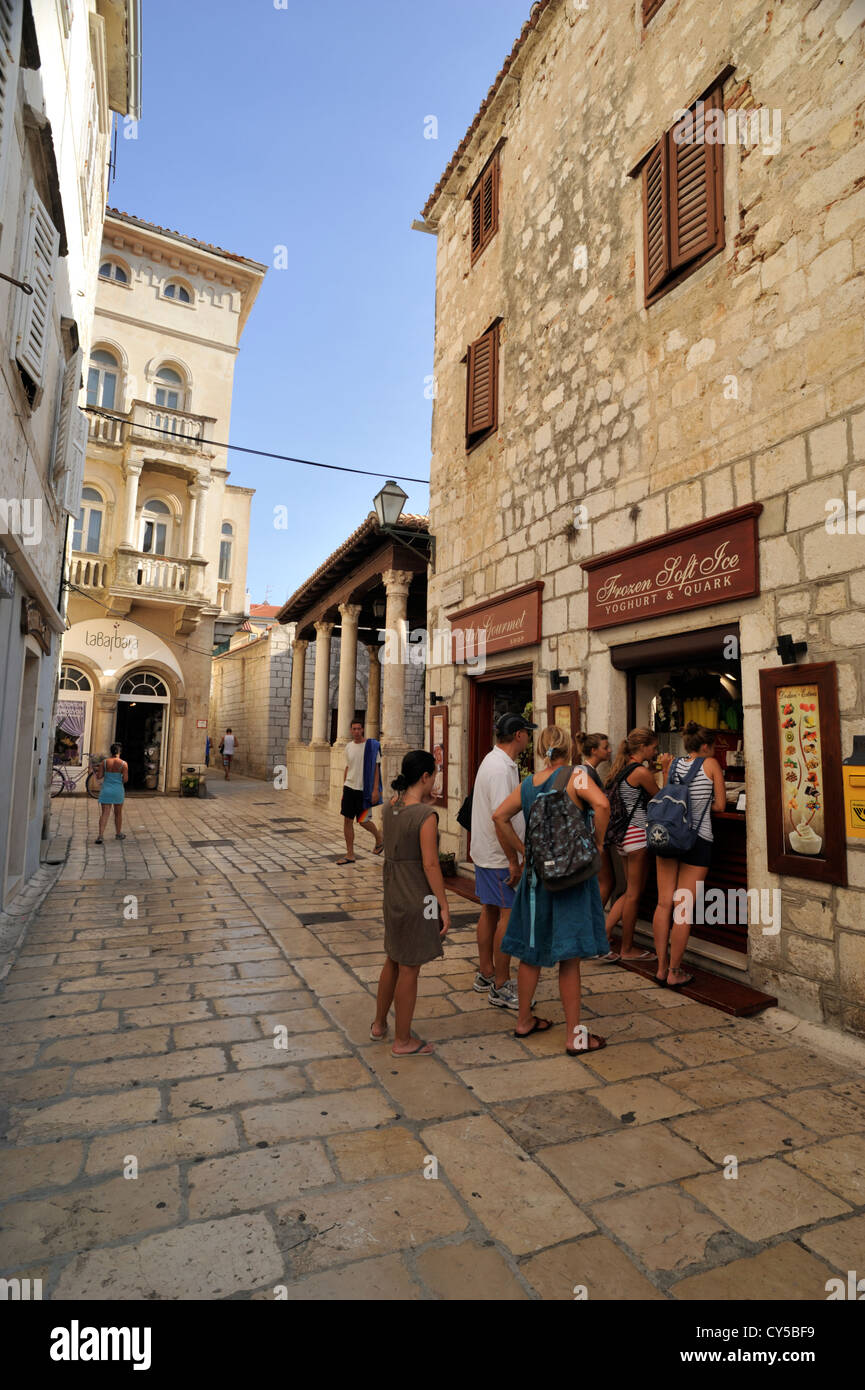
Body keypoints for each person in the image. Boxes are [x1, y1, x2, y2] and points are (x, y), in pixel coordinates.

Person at [493, 725, 611, 1054]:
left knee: (531, 953)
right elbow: (602, 806)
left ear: (542, 750)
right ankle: (575, 1035)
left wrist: (523, 850)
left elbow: (499, 816)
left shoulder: (529, 784)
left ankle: (524, 1019)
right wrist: (597, 843)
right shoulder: (576, 777)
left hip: (537, 877)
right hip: (572, 877)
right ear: (568, 749)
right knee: (569, 959)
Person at [371, 750, 450, 1056]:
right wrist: (443, 905)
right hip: (416, 895)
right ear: (425, 777)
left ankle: (379, 1023)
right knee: (410, 968)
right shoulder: (426, 816)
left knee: (393, 957)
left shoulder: (390, 807)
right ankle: (403, 1040)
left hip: (392, 892)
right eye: (435, 774)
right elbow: (431, 865)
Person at [470, 712, 536, 1010]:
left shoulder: (493, 760)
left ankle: (486, 972)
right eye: (527, 733)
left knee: (490, 911)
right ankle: (500, 984)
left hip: (486, 852)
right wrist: (515, 858)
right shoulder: (501, 769)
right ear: (519, 735)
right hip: (499, 856)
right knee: (507, 918)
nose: (529, 738)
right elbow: (501, 819)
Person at [652, 723, 726, 988]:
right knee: (682, 907)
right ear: (705, 746)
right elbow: (720, 804)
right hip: (698, 838)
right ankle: (674, 971)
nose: (715, 750)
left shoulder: (674, 765)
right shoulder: (711, 765)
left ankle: (660, 969)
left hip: (669, 837)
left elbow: (666, 794)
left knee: (663, 904)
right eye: (714, 745)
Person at [603, 727, 660, 962]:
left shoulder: (622, 769)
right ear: (643, 747)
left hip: (622, 838)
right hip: (637, 836)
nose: (655, 751)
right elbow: (660, 798)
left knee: (628, 893)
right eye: (653, 747)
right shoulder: (640, 772)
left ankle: (600, 937)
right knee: (634, 895)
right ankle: (627, 948)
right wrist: (664, 771)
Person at [338, 719, 383, 865]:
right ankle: (350, 854)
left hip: (364, 791)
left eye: (359, 729)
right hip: (349, 789)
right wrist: (344, 788)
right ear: (351, 730)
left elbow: (376, 769)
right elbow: (347, 767)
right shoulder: (348, 747)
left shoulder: (371, 747)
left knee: (363, 821)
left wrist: (376, 790)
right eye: (354, 729)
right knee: (347, 820)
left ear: (363, 729)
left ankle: (379, 838)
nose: (356, 731)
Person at [578, 732, 615, 913]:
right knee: (606, 882)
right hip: (592, 836)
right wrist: (599, 841)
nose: (609, 751)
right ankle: (591, 927)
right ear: (594, 750)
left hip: (587, 836)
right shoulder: (586, 772)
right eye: (606, 747)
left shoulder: (586, 771)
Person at [95, 744, 128, 843]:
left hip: (106, 790)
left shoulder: (104, 763)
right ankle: (118, 833)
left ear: (111, 752)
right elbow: (125, 779)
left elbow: (99, 776)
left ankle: (100, 835)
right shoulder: (123, 764)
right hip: (118, 790)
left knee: (105, 813)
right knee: (118, 813)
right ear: (119, 752)